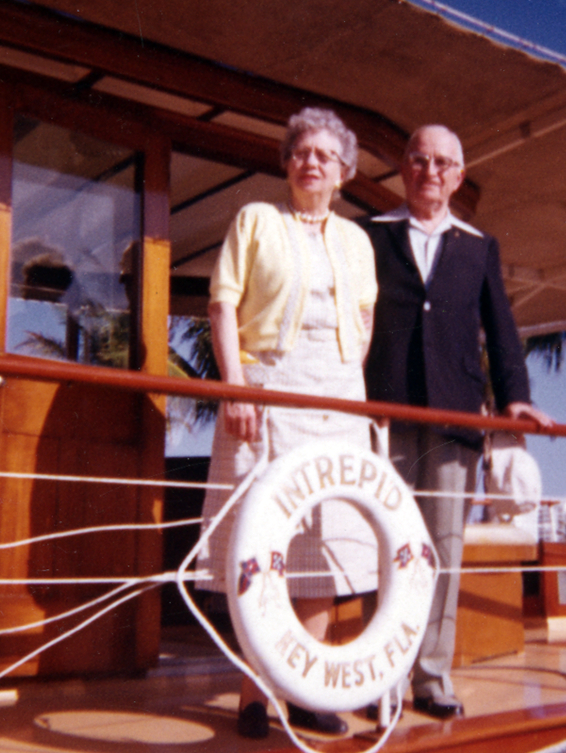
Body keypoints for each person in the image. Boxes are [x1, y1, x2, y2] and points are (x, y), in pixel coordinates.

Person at [196, 108, 378, 738]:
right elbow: (223, 304)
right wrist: (235, 385)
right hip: (266, 391)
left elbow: (364, 318)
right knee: (262, 546)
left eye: (326, 155)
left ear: (344, 172)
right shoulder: (255, 220)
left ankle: (302, 693)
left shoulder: (357, 240)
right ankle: (253, 692)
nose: (312, 162)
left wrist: (347, 383)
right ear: (287, 162)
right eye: (302, 151)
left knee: (324, 547)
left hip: (337, 397)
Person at [360, 124, 553, 719]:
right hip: (384, 414)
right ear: (403, 168)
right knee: (383, 545)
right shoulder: (369, 235)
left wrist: (515, 396)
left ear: (458, 176)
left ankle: (431, 677)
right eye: (419, 160)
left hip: (454, 418)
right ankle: (380, 678)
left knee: (441, 549)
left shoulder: (478, 246)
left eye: (443, 163)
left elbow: (501, 328)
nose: (430, 172)